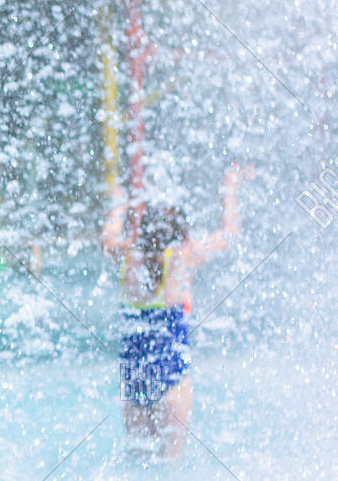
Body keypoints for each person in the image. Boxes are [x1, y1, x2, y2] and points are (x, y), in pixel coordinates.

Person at [100, 164, 253, 459]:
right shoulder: (185, 256)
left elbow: (107, 238)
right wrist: (230, 186)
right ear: (182, 235)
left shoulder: (127, 257)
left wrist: (119, 205)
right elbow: (230, 232)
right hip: (172, 375)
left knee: (138, 464)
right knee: (170, 467)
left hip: (133, 377)